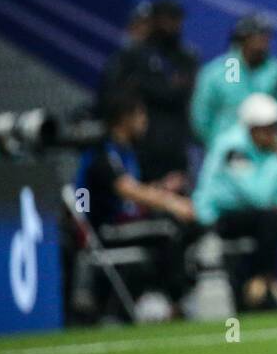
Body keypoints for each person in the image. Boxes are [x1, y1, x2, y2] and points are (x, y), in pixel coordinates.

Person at [73, 91, 198, 317]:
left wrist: (161, 188)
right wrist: (172, 203)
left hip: (125, 224)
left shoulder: (126, 151)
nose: (145, 121)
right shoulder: (103, 153)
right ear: (124, 118)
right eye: (140, 115)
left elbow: (134, 193)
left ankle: (161, 295)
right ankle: (177, 301)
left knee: (180, 227)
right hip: (103, 230)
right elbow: (128, 190)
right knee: (167, 230)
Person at [192, 92, 277, 310]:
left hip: (259, 215)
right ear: (253, 128)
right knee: (268, 219)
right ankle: (262, 283)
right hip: (219, 217)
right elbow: (257, 196)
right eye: (269, 127)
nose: (274, 132)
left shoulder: (271, 148)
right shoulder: (233, 148)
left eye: (274, 126)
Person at [101, 0, 199, 180]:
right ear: (155, 20)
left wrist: (148, 85)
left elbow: (184, 93)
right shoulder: (132, 56)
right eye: (166, 18)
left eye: (176, 19)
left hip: (174, 150)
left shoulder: (188, 59)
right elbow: (114, 95)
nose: (172, 25)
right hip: (138, 147)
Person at [191, 13, 277, 147]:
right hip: (228, 146)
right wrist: (216, 142)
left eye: (267, 35)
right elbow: (202, 112)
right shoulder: (228, 66)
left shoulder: (275, 69)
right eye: (259, 34)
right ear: (243, 38)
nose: (265, 39)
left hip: (264, 148)